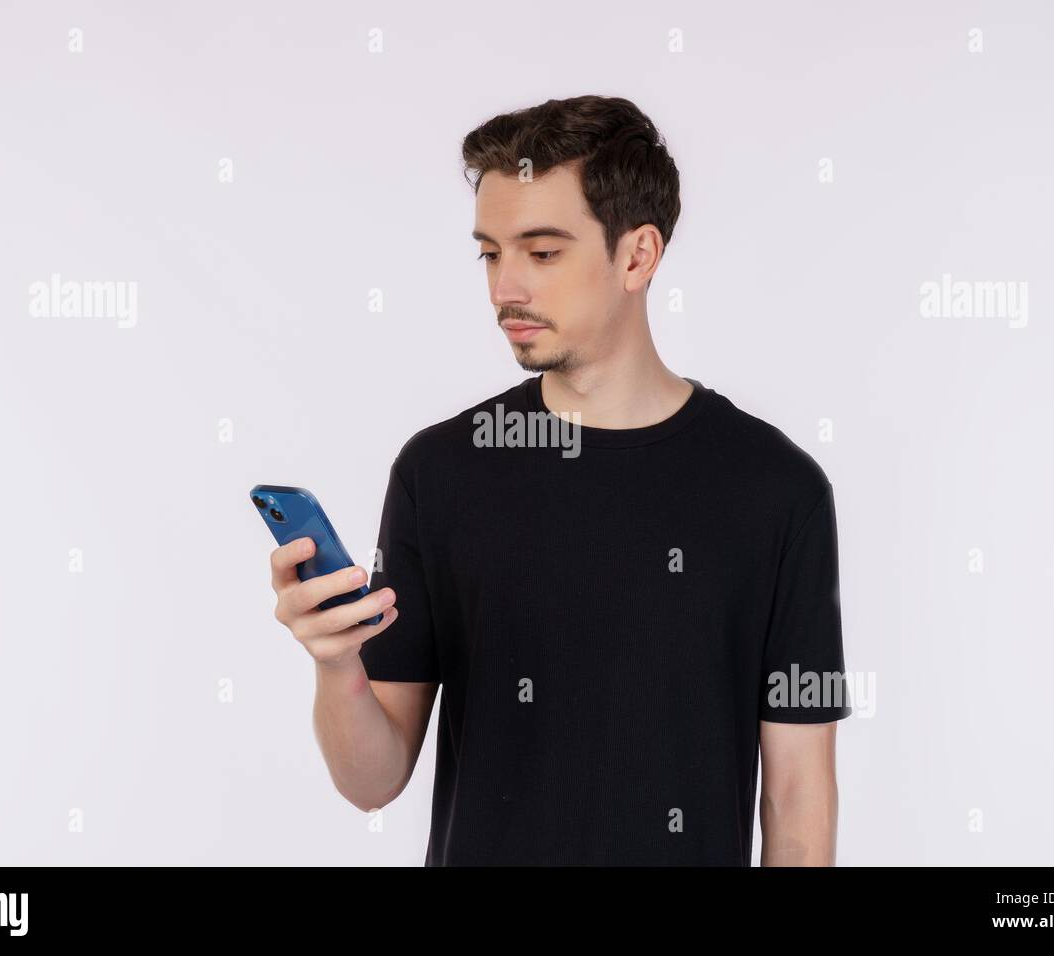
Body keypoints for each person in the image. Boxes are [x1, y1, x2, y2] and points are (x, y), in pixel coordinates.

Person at [269, 94, 852, 865]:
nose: (504, 287)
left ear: (638, 255)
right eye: (489, 252)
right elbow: (370, 782)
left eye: (541, 253)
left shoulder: (778, 490)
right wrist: (337, 664)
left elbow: (798, 798)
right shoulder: (440, 471)